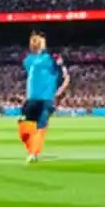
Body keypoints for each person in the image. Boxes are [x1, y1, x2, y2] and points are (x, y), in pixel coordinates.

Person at [18, 30, 69, 163]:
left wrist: (59, 92)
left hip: (47, 99)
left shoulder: (53, 58)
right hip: (31, 99)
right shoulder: (28, 60)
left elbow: (65, 76)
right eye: (33, 40)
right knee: (23, 131)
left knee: (41, 126)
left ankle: (33, 153)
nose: (35, 42)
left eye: (38, 40)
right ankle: (32, 149)